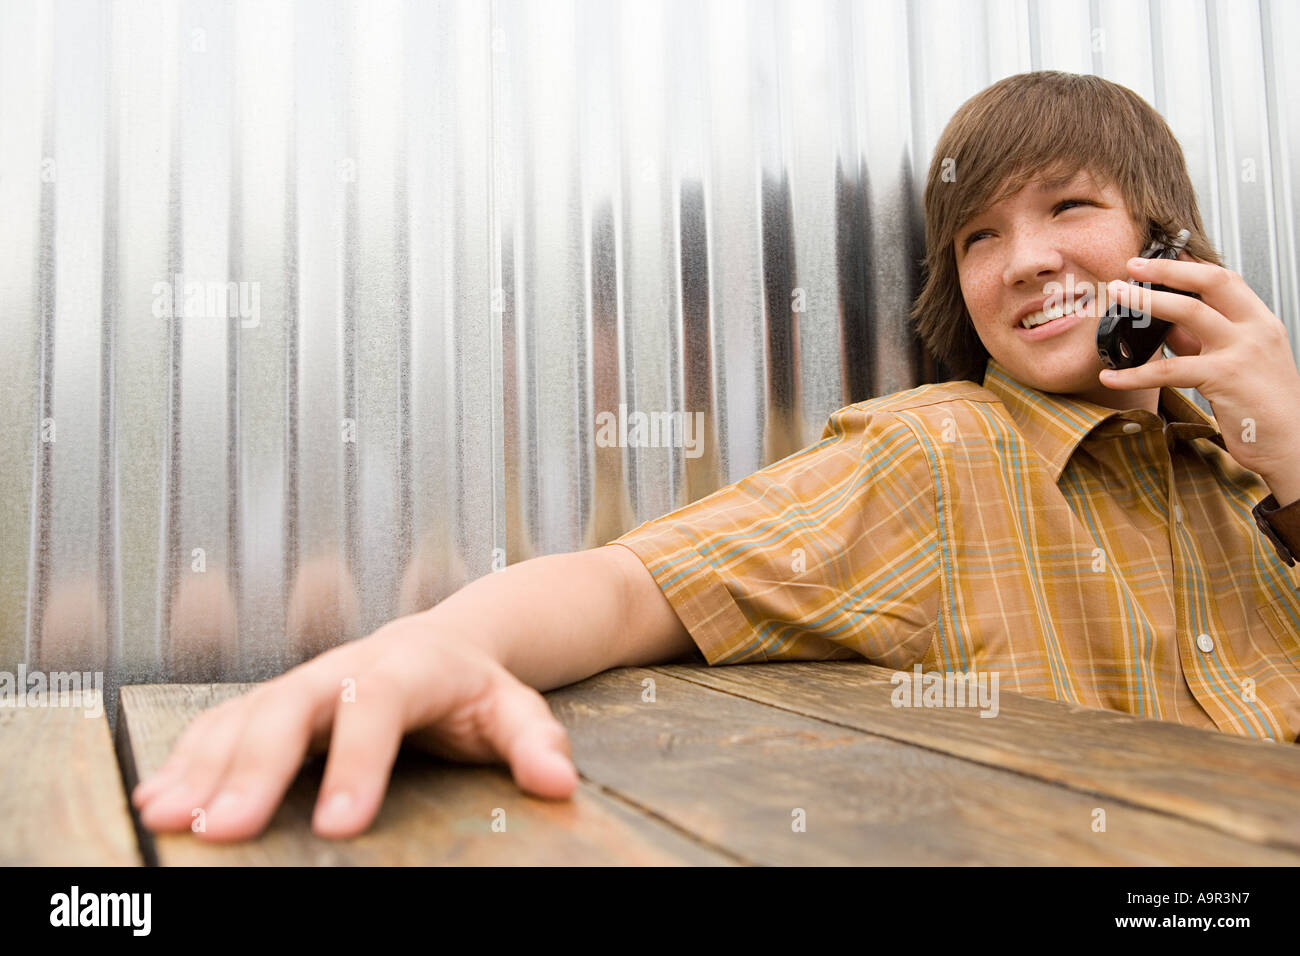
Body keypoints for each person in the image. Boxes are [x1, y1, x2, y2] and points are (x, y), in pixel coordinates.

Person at [131, 70, 1300, 843]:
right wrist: (424, 650)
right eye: (978, 234)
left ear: (1168, 244)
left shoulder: (1250, 467)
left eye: (1068, 208)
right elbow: (632, 581)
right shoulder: (937, 456)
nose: (1023, 260)